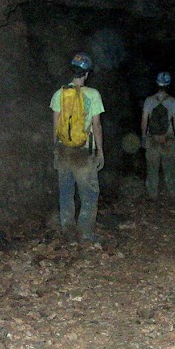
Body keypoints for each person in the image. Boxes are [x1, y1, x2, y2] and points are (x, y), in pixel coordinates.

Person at [50, 52, 105, 242]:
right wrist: (100, 151)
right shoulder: (93, 95)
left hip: (64, 150)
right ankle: (85, 232)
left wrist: (56, 150)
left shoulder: (59, 94)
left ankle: (68, 230)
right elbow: (96, 126)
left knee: (66, 191)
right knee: (89, 193)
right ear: (87, 73)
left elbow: (56, 126)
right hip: (84, 152)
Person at [141, 71, 175, 199]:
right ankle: (173, 192)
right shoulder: (173, 101)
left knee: (152, 169)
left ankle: (153, 194)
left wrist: (143, 136)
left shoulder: (149, 100)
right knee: (170, 169)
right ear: (168, 85)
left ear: (156, 84)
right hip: (168, 139)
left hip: (152, 139)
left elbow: (144, 120)